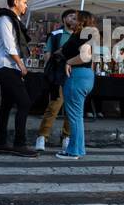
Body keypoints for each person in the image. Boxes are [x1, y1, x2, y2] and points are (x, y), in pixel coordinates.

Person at [0, 0, 38, 157]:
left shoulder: (14, 20)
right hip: (5, 67)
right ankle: (19, 144)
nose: (26, 6)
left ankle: (0, 143)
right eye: (24, 2)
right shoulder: (5, 19)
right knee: (24, 103)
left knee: (6, 105)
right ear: (16, 2)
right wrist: (21, 64)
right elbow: (9, 46)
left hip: (9, 67)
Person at [57, 11, 97, 158]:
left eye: (74, 18)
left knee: (74, 117)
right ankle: (79, 149)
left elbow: (85, 56)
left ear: (81, 22)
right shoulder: (85, 35)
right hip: (85, 76)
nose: (71, 20)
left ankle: (73, 151)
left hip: (77, 76)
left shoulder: (82, 35)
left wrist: (68, 62)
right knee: (77, 117)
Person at [35, 9, 76, 150]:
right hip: (59, 75)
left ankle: (66, 137)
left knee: (71, 109)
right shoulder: (56, 34)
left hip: (74, 75)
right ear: (64, 19)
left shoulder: (80, 36)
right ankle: (42, 136)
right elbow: (47, 52)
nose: (74, 19)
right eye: (71, 16)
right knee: (54, 106)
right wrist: (51, 64)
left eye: (76, 17)